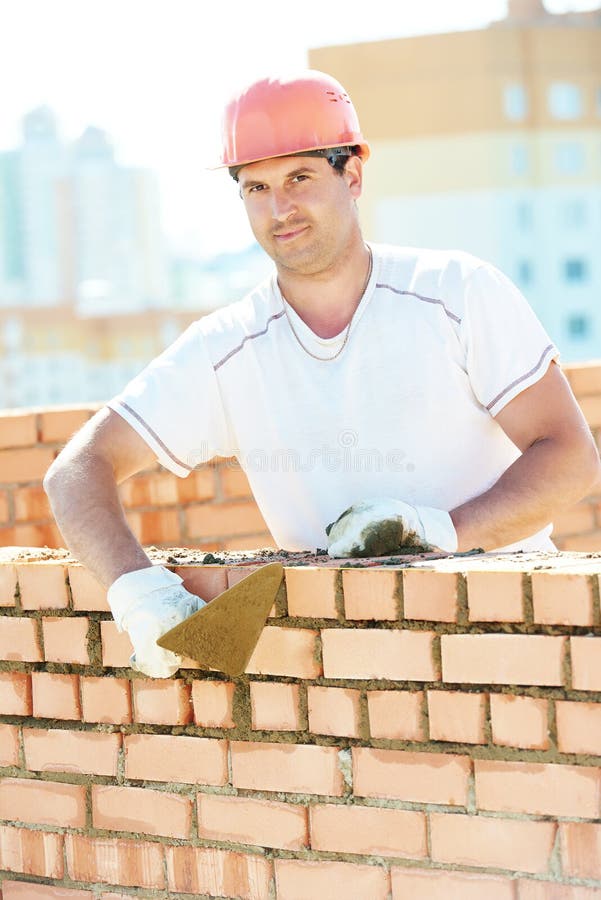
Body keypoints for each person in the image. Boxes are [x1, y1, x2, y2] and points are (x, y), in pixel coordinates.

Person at [44, 70, 600, 678]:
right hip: (344, 676)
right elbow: (75, 471)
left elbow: (571, 457)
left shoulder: (455, 294)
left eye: (300, 178)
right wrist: (137, 592)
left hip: (510, 645)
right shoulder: (229, 348)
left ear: (352, 175)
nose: (279, 209)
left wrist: (441, 532)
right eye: (256, 187)